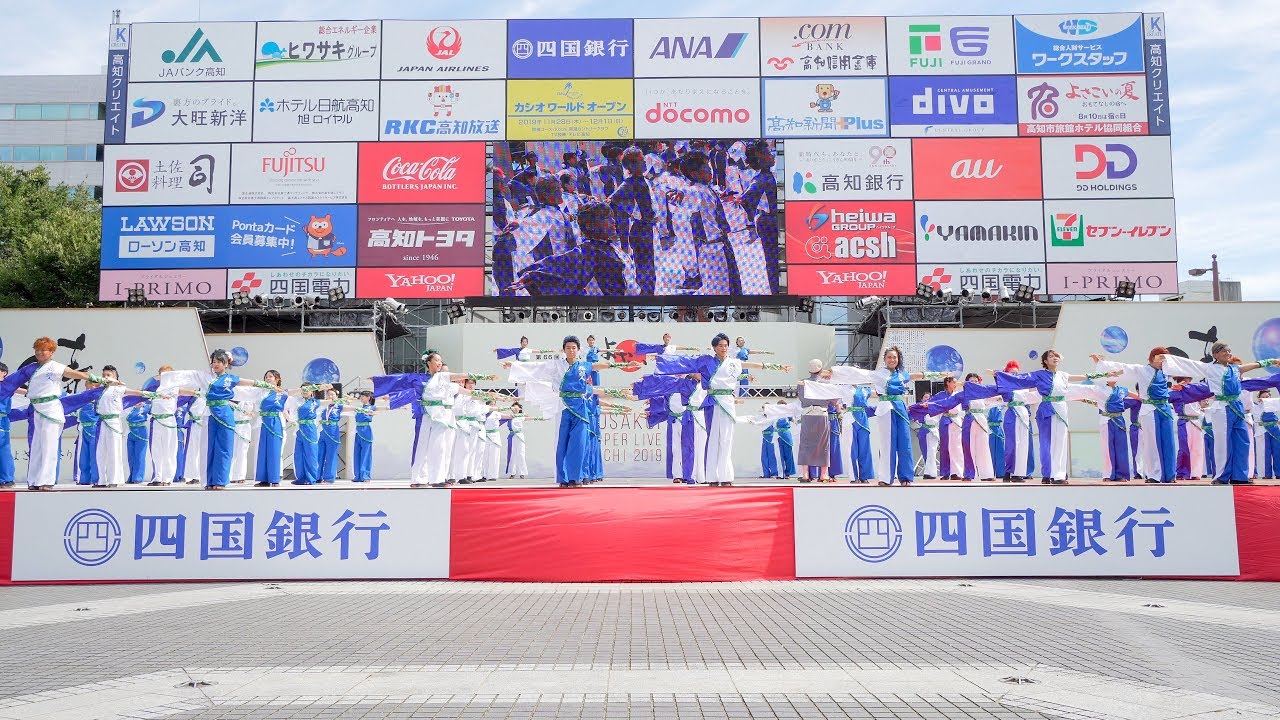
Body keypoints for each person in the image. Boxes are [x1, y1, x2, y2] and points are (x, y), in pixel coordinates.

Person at [654, 334, 790, 487]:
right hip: (712, 402)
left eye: (725, 345)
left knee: (726, 440)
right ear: (714, 347)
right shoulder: (706, 361)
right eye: (720, 345)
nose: (723, 348)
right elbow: (686, 362)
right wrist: (662, 360)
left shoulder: (733, 363)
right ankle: (712, 476)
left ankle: (726, 476)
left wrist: (776, 367)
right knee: (713, 440)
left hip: (727, 403)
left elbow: (752, 365)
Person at [505, 336, 639, 487]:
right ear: (564, 350)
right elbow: (537, 367)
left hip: (581, 408)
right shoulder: (556, 365)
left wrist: (625, 364)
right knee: (562, 443)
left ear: (578, 350)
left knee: (579, 444)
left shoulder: (584, 365)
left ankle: (576, 477)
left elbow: (601, 366)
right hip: (563, 406)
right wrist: (514, 365)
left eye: (573, 348)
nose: (571, 350)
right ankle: (564, 479)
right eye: (568, 348)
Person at [0, 337, 118, 490]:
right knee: (37, 446)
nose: (40, 353)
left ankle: (47, 481)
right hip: (36, 409)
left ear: (52, 352)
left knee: (49, 446)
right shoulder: (30, 368)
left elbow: (79, 375)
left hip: (51, 409)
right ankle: (35, 481)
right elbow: (10, 383)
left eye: (43, 350)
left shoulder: (56, 367)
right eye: (37, 350)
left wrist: (102, 380)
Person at [160, 350, 288, 490]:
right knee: (209, 448)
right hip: (209, 414)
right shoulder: (205, 377)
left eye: (219, 362)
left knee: (224, 448)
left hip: (226, 415)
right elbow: (187, 375)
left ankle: (220, 481)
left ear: (226, 363)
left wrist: (267, 385)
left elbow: (249, 383)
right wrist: (166, 377)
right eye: (213, 361)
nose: (215, 364)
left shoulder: (231, 379)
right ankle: (209, 481)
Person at [827, 346, 950, 486]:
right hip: (886, 409)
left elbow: (919, 375)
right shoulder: (878, 374)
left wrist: (939, 375)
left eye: (895, 357)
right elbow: (857, 373)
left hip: (900, 409)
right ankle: (886, 478)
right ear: (885, 359)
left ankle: (905, 477)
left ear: (898, 359)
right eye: (889, 357)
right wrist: (833, 372)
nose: (892, 360)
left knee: (905, 443)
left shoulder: (902, 374)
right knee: (887, 443)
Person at [1158, 344, 1279, 484]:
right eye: (1224, 351)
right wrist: (1166, 358)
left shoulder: (1235, 368)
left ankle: (1240, 476)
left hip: (1236, 407)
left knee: (1242, 441)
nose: (1228, 353)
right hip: (1222, 408)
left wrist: (1271, 361)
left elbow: (1254, 365)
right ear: (1215, 354)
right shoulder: (1210, 368)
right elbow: (1189, 364)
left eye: (1229, 350)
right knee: (1223, 443)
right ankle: (1221, 476)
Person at [996, 350, 1119, 485]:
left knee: (1060, 442)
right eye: (1050, 356)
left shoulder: (1063, 375)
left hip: (1061, 409)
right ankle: (1047, 473)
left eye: (1056, 356)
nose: (1054, 358)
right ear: (1045, 361)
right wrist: (1000, 376)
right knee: (1046, 443)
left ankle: (1058, 475)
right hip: (1046, 409)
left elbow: (1085, 376)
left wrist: (1106, 374)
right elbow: (1022, 379)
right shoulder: (1039, 375)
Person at [509, 200, 638, 297]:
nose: (613, 221)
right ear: (590, 225)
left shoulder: (609, 245)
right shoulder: (590, 251)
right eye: (606, 217)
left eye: (612, 217)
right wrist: (532, 275)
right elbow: (559, 262)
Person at [1092, 348, 1179, 483]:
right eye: (1161, 357)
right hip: (1150, 407)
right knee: (1152, 442)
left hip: (1165, 408)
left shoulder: (1166, 372)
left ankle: (1170, 475)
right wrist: (1102, 363)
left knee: (1169, 441)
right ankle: (1154, 475)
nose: (1163, 360)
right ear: (1153, 357)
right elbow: (1123, 368)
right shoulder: (1142, 370)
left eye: (1165, 358)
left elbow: (1185, 367)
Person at [922, 375, 1001, 482]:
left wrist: (998, 379)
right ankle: (968, 474)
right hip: (968, 420)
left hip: (980, 421)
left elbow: (997, 394)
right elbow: (947, 402)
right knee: (968, 448)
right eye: (971, 381)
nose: (974, 383)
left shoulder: (984, 393)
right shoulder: (962, 395)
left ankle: (987, 474)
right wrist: (929, 405)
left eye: (976, 381)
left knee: (983, 447)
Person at [609, 146, 656, 295]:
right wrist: (628, 213)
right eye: (641, 161)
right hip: (640, 229)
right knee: (644, 266)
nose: (644, 163)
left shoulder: (643, 180)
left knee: (650, 264)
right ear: (631, 166)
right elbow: (612, 201)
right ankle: (646, 295)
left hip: (649, 227)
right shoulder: (628, 184)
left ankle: (649, 293)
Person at [797, 359, 833, 483]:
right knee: (823, 444)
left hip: (807, 414)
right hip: (821, 414)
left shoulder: (802, 383)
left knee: (805, 443)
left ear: (809, 370)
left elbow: (801, 398)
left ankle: (805, 474)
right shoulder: (825, 384)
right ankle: (823, 475)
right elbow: (832, 400)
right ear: (821, 370)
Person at [847, 386, 876, 484]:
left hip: (863, 418)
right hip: (850, 418)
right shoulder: (843, 388)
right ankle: (853, 476)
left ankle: (864, 475)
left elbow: (877, 393)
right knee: (852, 449)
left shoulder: (865, 389)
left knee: (865, 448)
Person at [909, 392, 939, 480]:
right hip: (924, 431)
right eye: (925, 397)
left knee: (932, 451)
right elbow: (911, 412)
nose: (927, 399)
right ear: (922, 399)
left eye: (929, 398)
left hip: (933, 431)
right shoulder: (919, 408)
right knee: (925, 452)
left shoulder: (936, 407)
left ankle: (932, 472)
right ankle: (928, 472)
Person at [775, 408, 796, 480]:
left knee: (788, 455)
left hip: (787, 436)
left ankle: (788, 473)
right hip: (778, 436)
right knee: (780, 455)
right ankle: (781, 473)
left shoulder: (788, 415)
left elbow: (795, 420)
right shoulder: (775, 415)